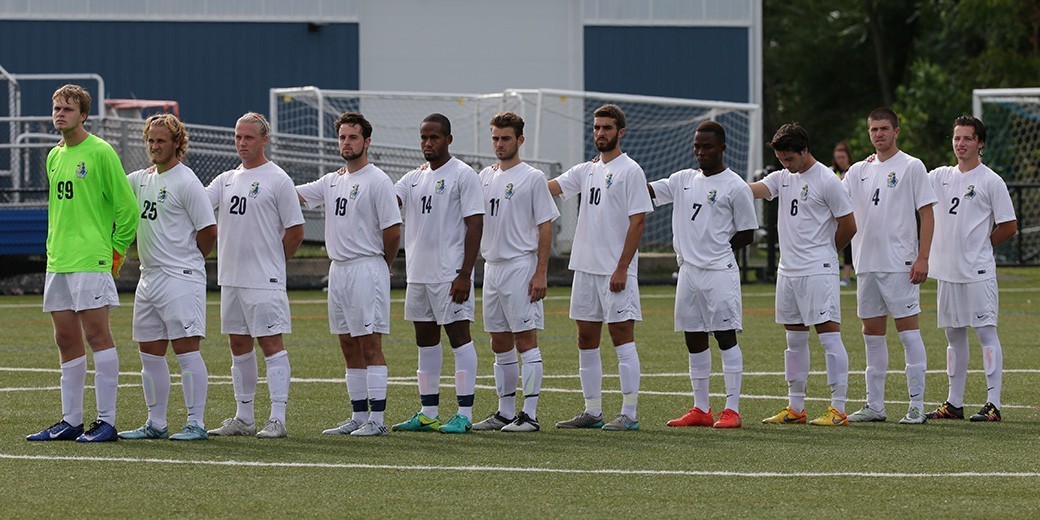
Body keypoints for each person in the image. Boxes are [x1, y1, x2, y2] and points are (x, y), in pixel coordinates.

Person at [27, 84, 138, 443]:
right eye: (56, 107)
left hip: (91, 259)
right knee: (64, 339)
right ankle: (70, 420)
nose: (60, 113)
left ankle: (106, 421)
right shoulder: (54, 156)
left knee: (96, 335)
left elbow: (127, 209)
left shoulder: (101, 152)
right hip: (59, 261)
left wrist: (116, 249)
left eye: (68, 109)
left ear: (84, 114)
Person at [548, 104, 653, 431]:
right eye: (596, 128)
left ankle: (630, 413)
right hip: (585, 268)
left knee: (621, 337)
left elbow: (638, 223)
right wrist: (507, 174)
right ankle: (592, 410)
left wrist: (622, 268)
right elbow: (549, 187)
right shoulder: (587, 170)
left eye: (607, 128)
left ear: (620, 131)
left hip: (615, 271)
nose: (600, 133)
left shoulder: (630, 170)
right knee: (585, 337)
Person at [296, 112, 402, 437]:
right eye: (342, 137)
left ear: (367, 141)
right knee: (347, 343)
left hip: (367, 267)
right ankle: (358, 415)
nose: (346, 143)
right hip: (339, 270)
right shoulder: (331, 181)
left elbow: (393, 230)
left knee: (370, 343)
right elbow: (293, 194)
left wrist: (381, 264)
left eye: (353, 137)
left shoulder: (378, 180)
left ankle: (378, 420)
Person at [647, 121, 756, 429]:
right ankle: (701, 409)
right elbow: (648, 191)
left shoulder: (735, 186)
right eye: (697, 146)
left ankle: (731, 410)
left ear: (722, 147)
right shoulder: (682, 179)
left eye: (707, 146)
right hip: (688, 272)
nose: (701, 152)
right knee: (693, 338)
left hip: (719, 271)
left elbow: (748, 233)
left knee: (725, 336)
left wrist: (718, 250)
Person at [205, 112, 305, 438]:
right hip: (231, 277)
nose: (242, 143)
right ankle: (244, 417)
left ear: (264, 139)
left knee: (271, 344)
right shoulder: (226, 180)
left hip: (265, 279)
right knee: (238, 344)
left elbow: (296, 230)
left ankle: (278, 418)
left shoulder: (278, 179)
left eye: (248, 137)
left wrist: (276, 262)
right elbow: (196, 203)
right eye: (237, 137)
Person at [748, 123, 856, 427]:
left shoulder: (827, 179)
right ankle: (796, 407)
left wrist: (825, 252)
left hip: (817, 271)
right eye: (781, 160)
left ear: (804, 150)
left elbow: (849, 225)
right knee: (793, 340)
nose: (785, 164)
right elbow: (755, 190)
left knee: (829, 337)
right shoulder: (783, 177)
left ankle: (838, 409)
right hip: (788, 271)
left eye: (789, 159)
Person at [118, 114, 217, 441]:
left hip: (180, 276)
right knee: (149, 353)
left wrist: (188, 261)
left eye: (161, 140)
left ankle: (195, 422)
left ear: (178, 143)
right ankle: (156, 423)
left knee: (186, 351)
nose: (155, 146)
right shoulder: (141, 179)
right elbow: (113, 187)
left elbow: (208, 231)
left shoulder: (187, 181)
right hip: (148, 278)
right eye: (150, 140)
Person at [842, 108, 936, 425]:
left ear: (896, 130)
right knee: (871, 335)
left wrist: (923, 257)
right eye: (873, 130)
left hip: (900, 264)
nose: (879, 134)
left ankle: (916, 405)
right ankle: (875, 406)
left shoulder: (912, 166)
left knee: (908, 333)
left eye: (884, 128)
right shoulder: (858, 171)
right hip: (866, 264)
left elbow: (927, 214)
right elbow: (835, 201)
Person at [391, 113, 484, 434]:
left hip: (450, 275)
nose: (428, 143)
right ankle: (428, 412)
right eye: (424, 138)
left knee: (459, 338)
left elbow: (475, 225)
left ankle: (465, 413)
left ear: (448, 139)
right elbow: (388, 201)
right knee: (425, 342)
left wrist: (464, 274)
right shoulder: (413, 178)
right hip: (418, 274)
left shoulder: (463, 175)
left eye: (434, 137)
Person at [471, 112, 559, 433]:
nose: (499, 144)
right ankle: (505, 412)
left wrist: (541, 272)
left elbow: (545, 226)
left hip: (521, 266)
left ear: (519, 140)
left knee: (525, 340)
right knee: (499, 342)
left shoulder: (532, 177)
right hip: (492, 268)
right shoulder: (484, 176)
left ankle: (530, 414)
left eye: (505, 138)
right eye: (495, 138)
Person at [926, 116, 1017, 422]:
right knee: (954, 338)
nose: (961, 144)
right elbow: (908, 182)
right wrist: (879, 161)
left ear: (980, 142)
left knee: (986, 335)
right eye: (957, 138)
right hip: (948, 273)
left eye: (967, 138)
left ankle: (993, 403)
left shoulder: (991, 180)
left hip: (977, 273)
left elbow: (1009, 225)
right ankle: (954, 402)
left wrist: (982, 246)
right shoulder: (940, 176)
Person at [832, 142, 855, 286]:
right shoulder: (830, 172)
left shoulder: (853, 172)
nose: (840, 160)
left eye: (843, 157)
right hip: (832, 217)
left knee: (848, 247)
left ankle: (846, 276)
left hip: (848, 214)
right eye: (838, 157)